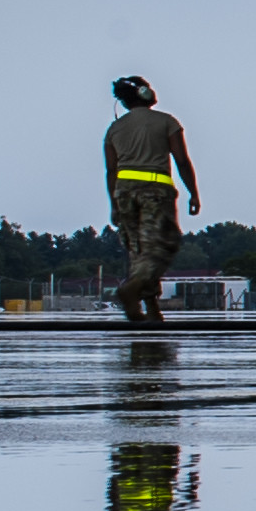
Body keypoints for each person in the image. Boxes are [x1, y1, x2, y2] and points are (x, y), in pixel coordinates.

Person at [103, 74, 200, 326]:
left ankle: (152, 308)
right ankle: (132, 289)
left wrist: (114, 203)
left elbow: (111, 170)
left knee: (138, 250)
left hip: (123, 193)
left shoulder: (114, 129)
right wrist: (193, 192)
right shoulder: (166, 122)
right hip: (155, 191)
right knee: (161, 246)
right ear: (145, 93)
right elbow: (181, 160)